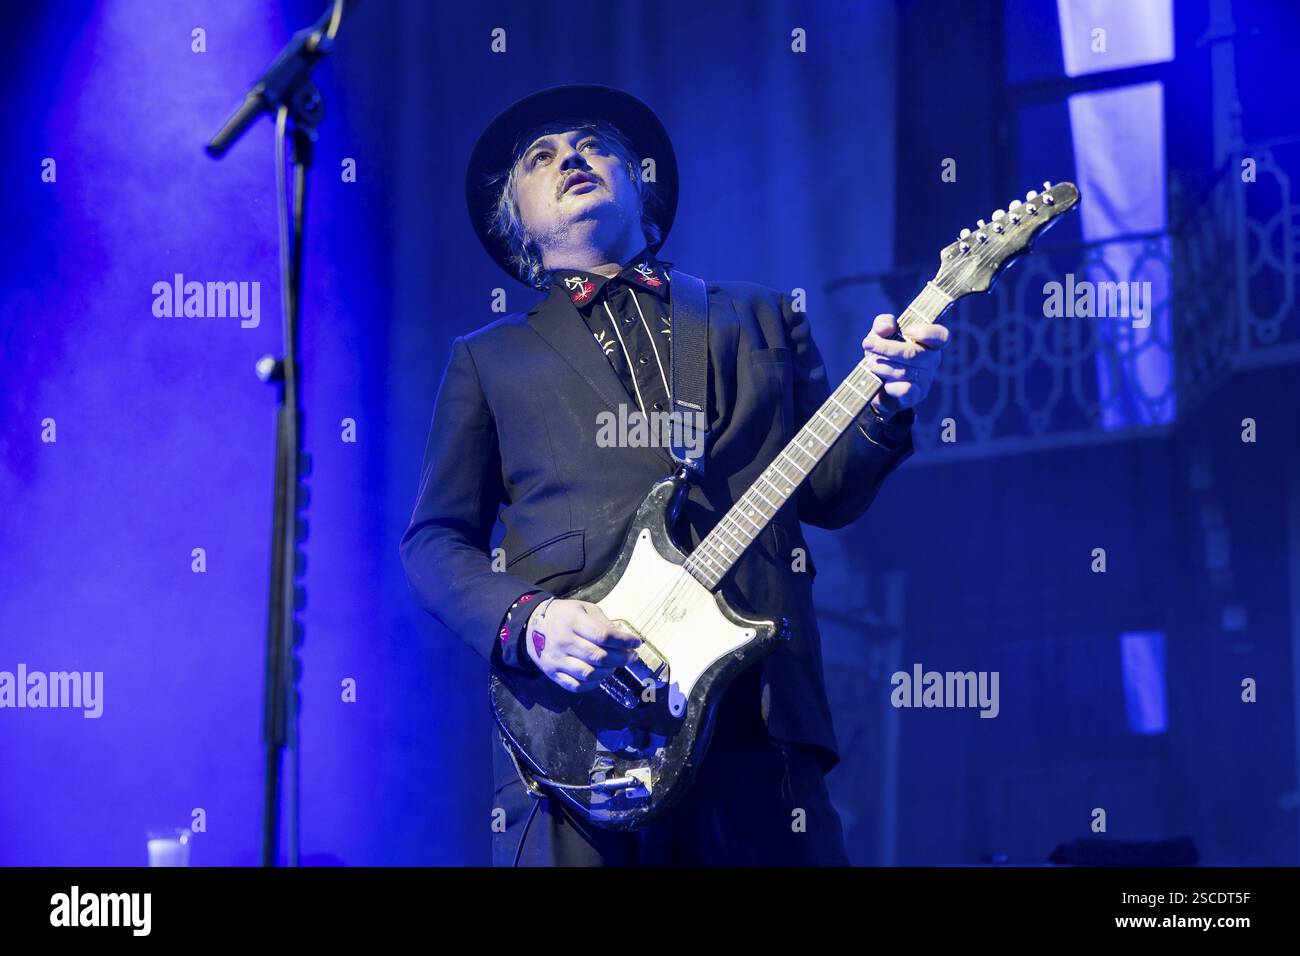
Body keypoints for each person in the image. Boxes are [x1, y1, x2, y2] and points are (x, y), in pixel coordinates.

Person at [399, 84, 947, 865]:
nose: (571, 159)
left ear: (641, 183)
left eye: (592, 145)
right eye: (541, 157)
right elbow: (434, 542)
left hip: (759, 719)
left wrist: (890, 407)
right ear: (513, 220)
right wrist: (529, 622)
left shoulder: (758, 316)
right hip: (577, 738)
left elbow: (828, 493)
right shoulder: (489, 358)